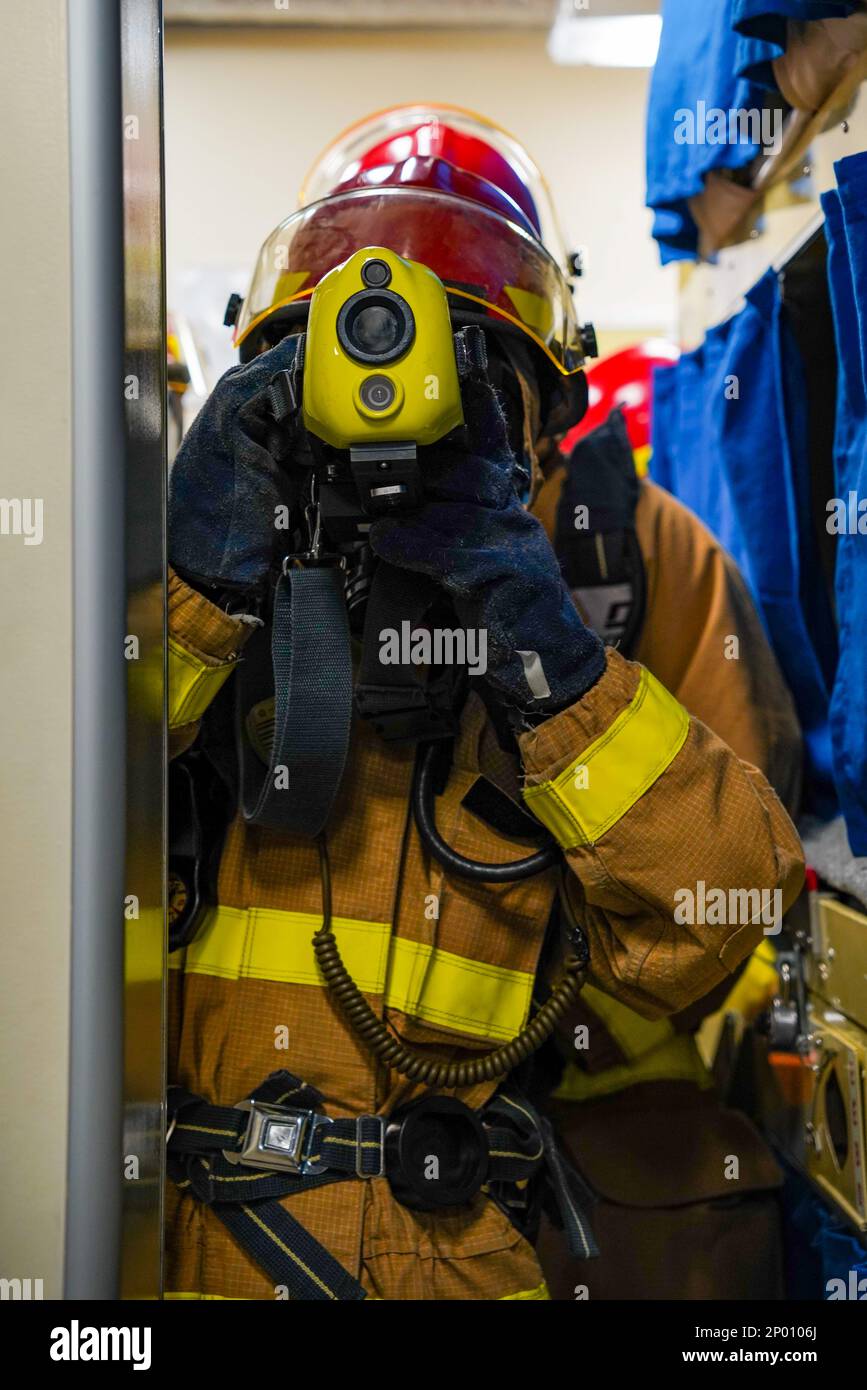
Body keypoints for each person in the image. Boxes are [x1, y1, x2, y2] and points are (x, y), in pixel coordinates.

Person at [164, 106, 804, 1301]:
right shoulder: (184, 570)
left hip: (460, 1241)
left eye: (464, 376)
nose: (392, 403)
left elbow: (719, 926)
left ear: (542, 424)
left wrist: (550, 662)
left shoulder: (611, 560)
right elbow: (46, 855)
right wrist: (192, 594)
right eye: (334, 361)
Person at [531, 366, 803, 1299]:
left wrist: (602, 1021)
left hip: (611, 1091)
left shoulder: (636, 545)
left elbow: (743, 841)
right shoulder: (270, 543)